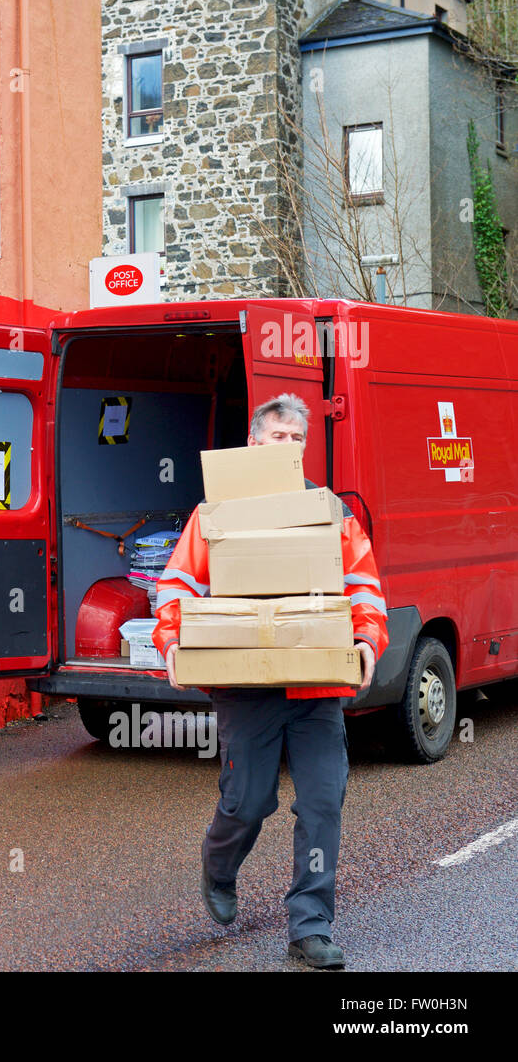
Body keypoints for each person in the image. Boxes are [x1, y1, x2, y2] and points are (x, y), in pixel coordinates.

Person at [151, 393, 388, 969]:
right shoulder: (217, 512)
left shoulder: (328, 510)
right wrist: (174, 642)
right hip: (246, 685)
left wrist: (365, 640)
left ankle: (310, 926)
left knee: (323, 804)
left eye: (296, 439)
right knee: (248, 802)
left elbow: (363, 586)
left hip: (315, 687)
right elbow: (178, 585)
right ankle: (220, 866)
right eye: (277, 436)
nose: (287, 447)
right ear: (253, 443)